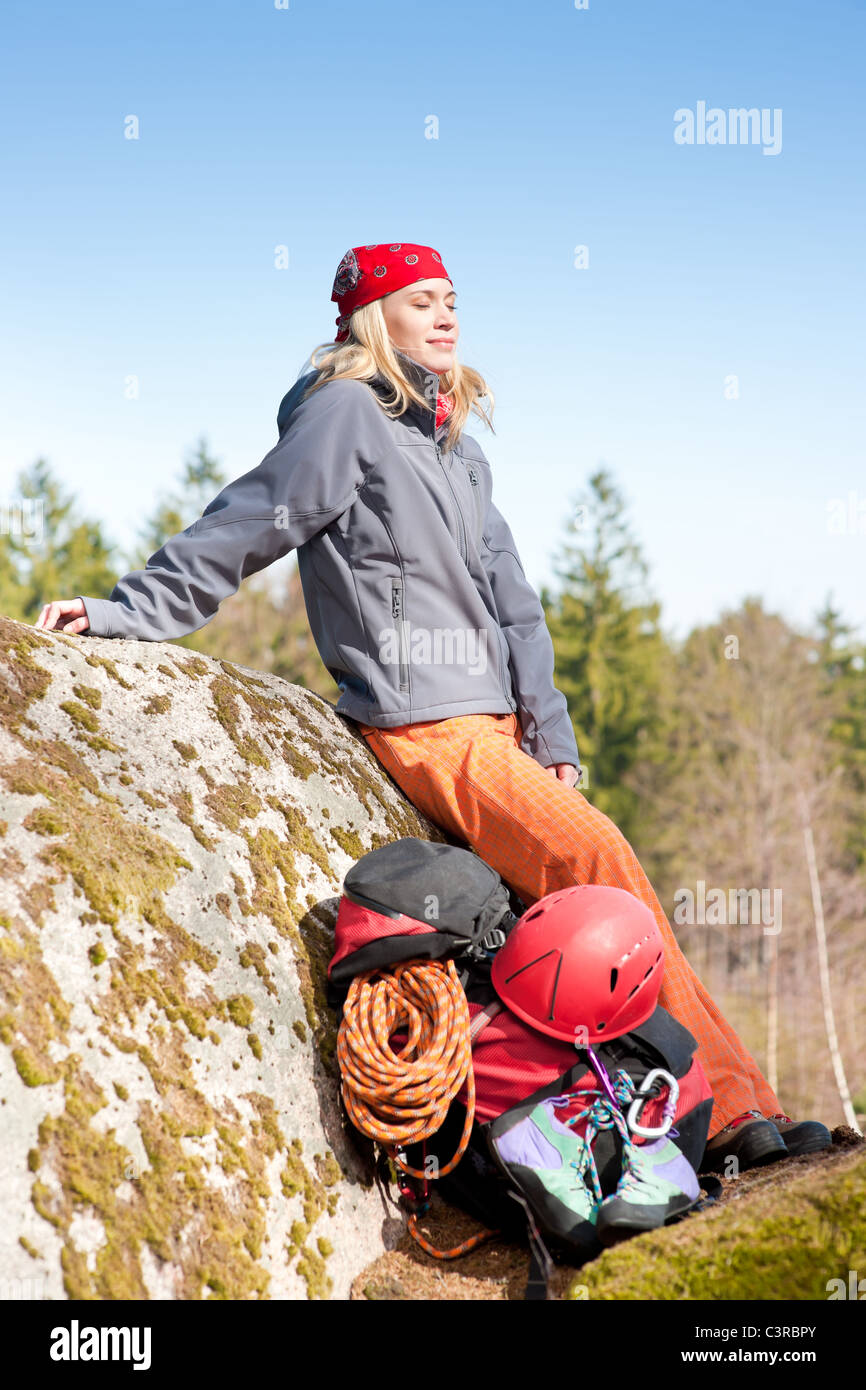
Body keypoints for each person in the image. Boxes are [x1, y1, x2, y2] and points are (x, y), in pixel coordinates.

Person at [35, 241, 830, 1171]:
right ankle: (728, 1112)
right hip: (427, 723)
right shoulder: (345, 413)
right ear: (372, 320)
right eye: (421, 301)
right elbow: (254, 518)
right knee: (597, 859)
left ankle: (687, 1116)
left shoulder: (457, 446)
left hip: (496, 726)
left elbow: (514, 599)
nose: (447, 314)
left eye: (452, 298)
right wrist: (127, 612)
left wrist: (550, 732)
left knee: (582, 914)